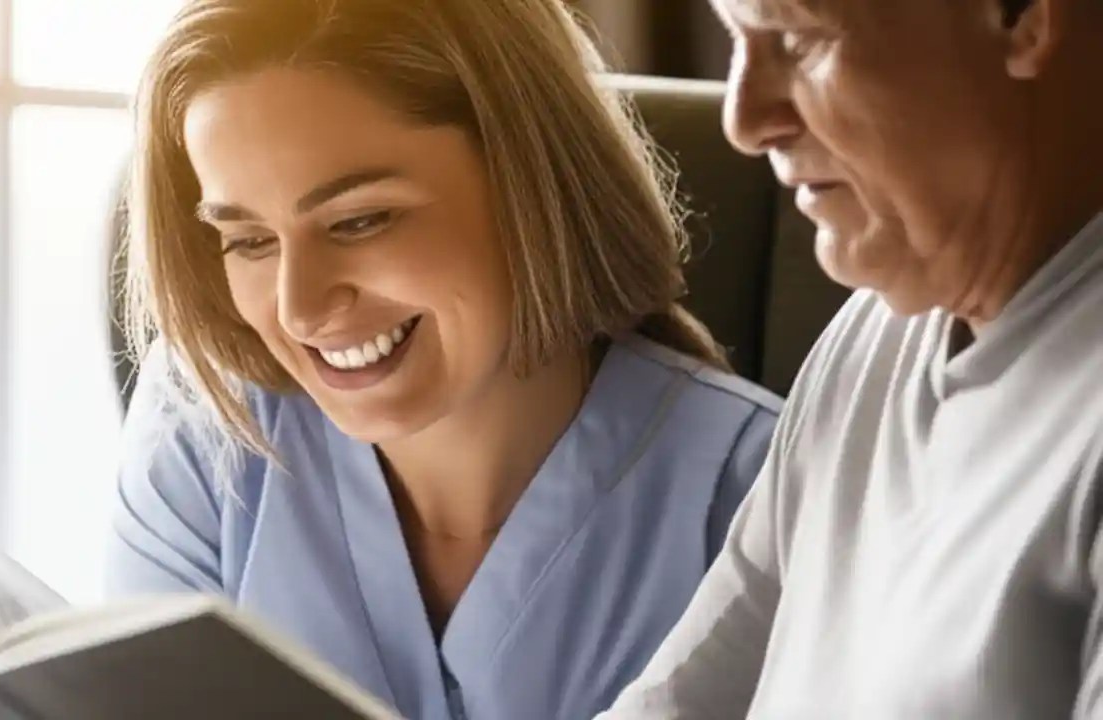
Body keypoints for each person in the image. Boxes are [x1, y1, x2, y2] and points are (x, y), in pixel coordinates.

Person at [105, 1, 780, 718]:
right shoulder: (206, 431)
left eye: (360, 220)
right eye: (249, 241)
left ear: (534, 188)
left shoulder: (764, 494)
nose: (299, 309)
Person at [600, 0, 1103, 717]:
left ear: (1025, 17)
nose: (745, 121)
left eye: (800, 39)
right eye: (738, 39)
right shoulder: (877, 333)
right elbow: (686, 698)